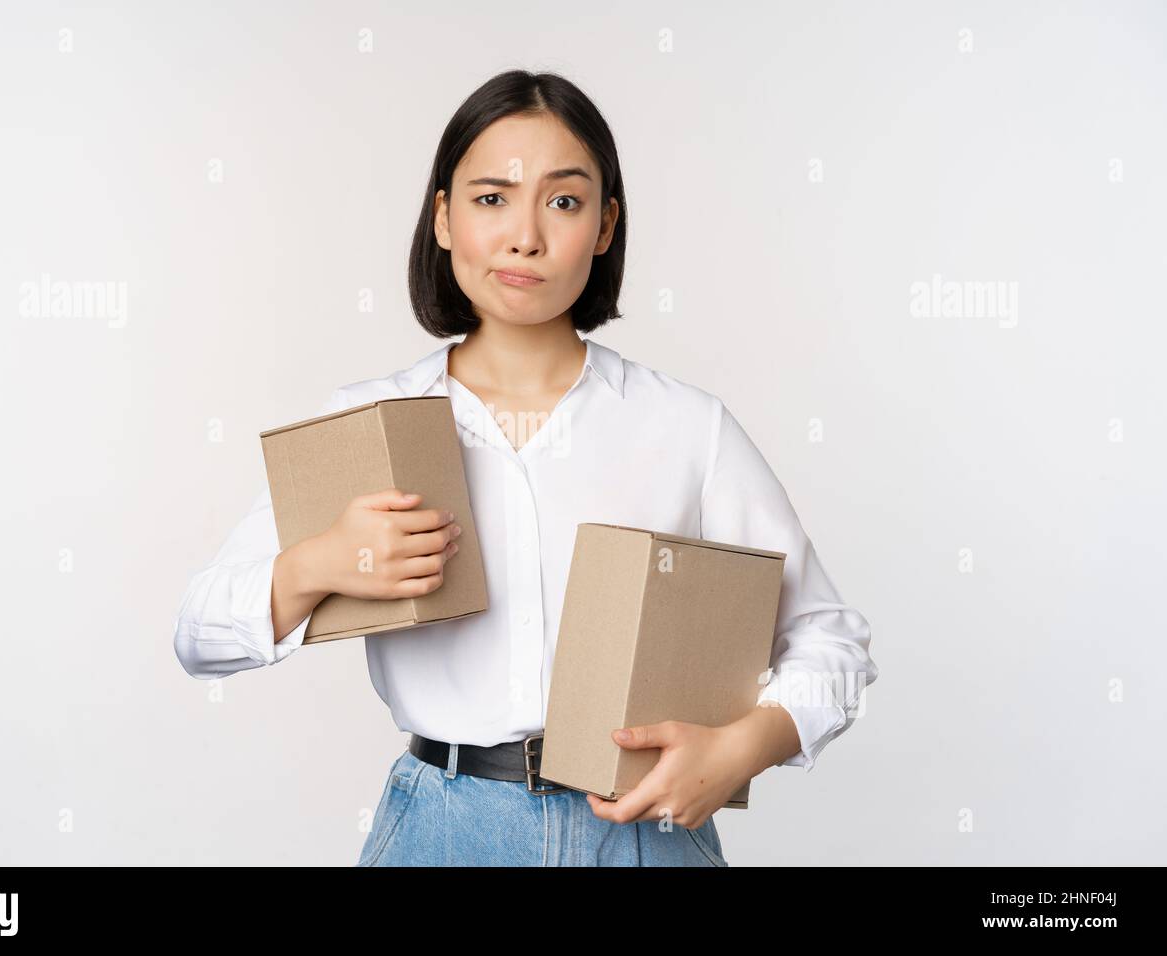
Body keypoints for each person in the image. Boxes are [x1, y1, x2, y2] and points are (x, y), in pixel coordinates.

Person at [173, 69, 879, 866]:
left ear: (606, 226)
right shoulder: (372, 427)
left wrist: (743, 748)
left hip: (644, 834)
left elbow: (833, 643)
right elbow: (198, 637)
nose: (526, 236)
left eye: (565, 201)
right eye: (490, 198)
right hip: (443, 831)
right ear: (442, 218)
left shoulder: (686, 426)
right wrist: (318, 565)